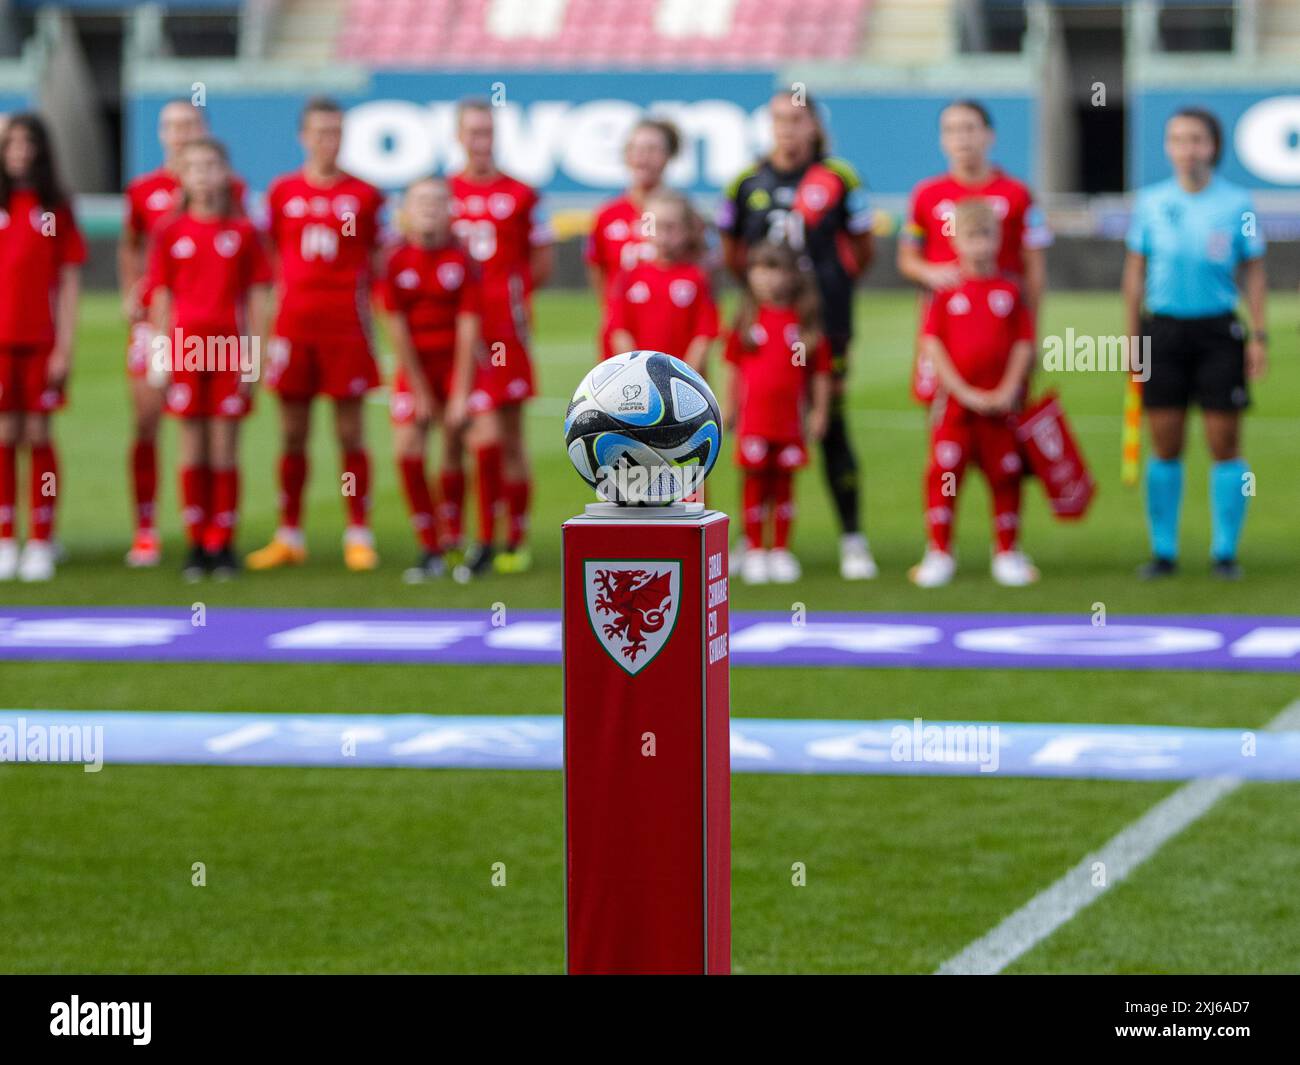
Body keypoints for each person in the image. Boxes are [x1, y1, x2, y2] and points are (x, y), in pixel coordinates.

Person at [718, 89, 876, 580]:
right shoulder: (745, 182)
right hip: (766, 324)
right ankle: (754, 539)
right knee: (760, 424)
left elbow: (862, 249)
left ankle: (852, 537)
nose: (788, 129)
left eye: (797, 120)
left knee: (831, 426)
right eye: (780, 120)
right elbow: (732, 252)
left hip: (824, 322)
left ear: (814, 126)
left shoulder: (841, 178)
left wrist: (828, 294)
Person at [1123, 107, 1267, 580]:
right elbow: (1135, 269)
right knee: (1166, 442)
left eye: (1196, 139)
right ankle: (1163, 553)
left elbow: (1253, 268)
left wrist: (1258, 334)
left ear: (1213, 146)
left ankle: (1225, 552)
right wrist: (1131, 336)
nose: (1188, 149)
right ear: (1168, 147)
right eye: (1178, 139)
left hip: (1217, 333)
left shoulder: (1237, 203)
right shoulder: (1150, 202)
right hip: (1161, 332)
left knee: (1225, 443)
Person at [248, 97, 386, 573]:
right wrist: (265, 336)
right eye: (320, 132)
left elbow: (378, 264)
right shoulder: (282, 192)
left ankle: (358, 531)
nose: (329, 140)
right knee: (291, 434)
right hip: (293, 329)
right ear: (303, 137)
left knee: (350, 434)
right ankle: (289, 533)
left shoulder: (365, 196)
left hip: (345, 329)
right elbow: (268, 266)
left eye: (336, 132)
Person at [119, 99, 247, 567]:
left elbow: (246, 272)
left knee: (216, 434)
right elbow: (131, 247)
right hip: (164, 327)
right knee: (149, 419)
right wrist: (133, 296)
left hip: (220, 335)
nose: (180, 133)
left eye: (189, 125)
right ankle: (147, 527)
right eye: (172, 126)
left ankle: (216, 536)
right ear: (160, 134)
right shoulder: (143, 191)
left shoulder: (230, 193)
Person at [146, 137, 271, 581]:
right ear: (183, 176)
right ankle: (196, 541)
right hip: (184, 351)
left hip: (229, 353)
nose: (203, 176)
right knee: (191, 446)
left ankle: (223, 541)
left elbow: (256, 298)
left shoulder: (243, 233)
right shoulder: (169, 231)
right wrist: (158, 354)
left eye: (211, 166)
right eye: (194, 167)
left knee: (224, 448)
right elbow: (162, 297)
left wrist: (254, 358)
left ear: (225, 174)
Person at [449, 98, 553, 579]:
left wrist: (513, 302)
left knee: (510, 439)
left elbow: (542, 264)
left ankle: (515, 537)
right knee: (474, 439)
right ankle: (476, 535)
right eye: (472, 132)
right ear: (458, 136)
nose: (480, 142)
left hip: (505, 334)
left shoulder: (523, 195)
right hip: (457, 334)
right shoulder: (441, 194)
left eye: (487, 132)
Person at [909, 199, 1037, 589]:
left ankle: (1007, 552)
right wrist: (962, 391)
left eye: (986, 236)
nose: (979, 246)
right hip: (955, 407)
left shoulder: (1009, 291)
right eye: (971, 237)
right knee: (945, 473)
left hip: (1000, 406)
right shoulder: (946, 291)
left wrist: (1008, 389)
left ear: (998, 240)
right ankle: (939, 552)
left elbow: (1023, 344)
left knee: (1005, 475)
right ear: (956, 241)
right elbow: (931, 344)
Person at [898, 98, 1051, 405]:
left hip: (1001, 325)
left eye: (969, 128)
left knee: (1004, 425)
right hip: (945, 330)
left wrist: (1032, 331)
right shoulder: (926, 195)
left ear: (989, 135)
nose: (961, 138)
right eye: (951, 130)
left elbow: (1034, 268)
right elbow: (907, 259)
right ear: (942, 140)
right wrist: (930, 272)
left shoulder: (1017, 193)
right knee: (944, 424)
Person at [382, 176, 481, 582]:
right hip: (415, 369)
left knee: (457, 442)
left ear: (450, 211)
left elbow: (468, 326)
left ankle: (454, 534)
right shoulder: (393, 259)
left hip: (454, 366)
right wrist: (420, 391)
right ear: (406, 208)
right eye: (420, 200)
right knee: (407, 448)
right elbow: (396, 327)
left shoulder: (463, 260)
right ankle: (428, 544)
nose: (429, 208)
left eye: (437, 201)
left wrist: (459, 392)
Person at [0, 113, 85, 582]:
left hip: (40, 341)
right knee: (5, 437)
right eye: (11, 144)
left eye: (27, 144)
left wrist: (64, 347)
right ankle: (6, 536)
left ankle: (41, 538)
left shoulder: (54, 209)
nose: (19, 152)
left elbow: (69, 282)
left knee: (38, 436)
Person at [725, 242, 831, 585]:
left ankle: (781, 549)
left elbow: (819, 373)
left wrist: (819, 413)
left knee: (784, 485)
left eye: (777, 269)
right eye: (761, 269)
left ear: (792, 276)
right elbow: (734, 370)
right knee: (754, 484)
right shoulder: (747, 320)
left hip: (789, 422)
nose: (769, 279)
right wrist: (727, 408)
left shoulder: (803, 324)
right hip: (754, 421)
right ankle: (755, 548)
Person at [586, 117, 680, 360]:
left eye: (652, 150)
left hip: (673, 337)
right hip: (621, 340)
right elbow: (599, 273)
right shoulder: (608, 215)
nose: (643, 157)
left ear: (668, 156)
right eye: (636, 149)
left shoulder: (682, 215)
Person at [607, 189, 718, 372]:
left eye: (671, 227)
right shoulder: (630, 275)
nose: (662, 235)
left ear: (687, 230)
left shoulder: (696, 278)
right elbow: (619, 329)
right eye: (654, 225)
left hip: (682, 385)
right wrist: (635, 371)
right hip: (638, 382)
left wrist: (684, 375)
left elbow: (703, 336)